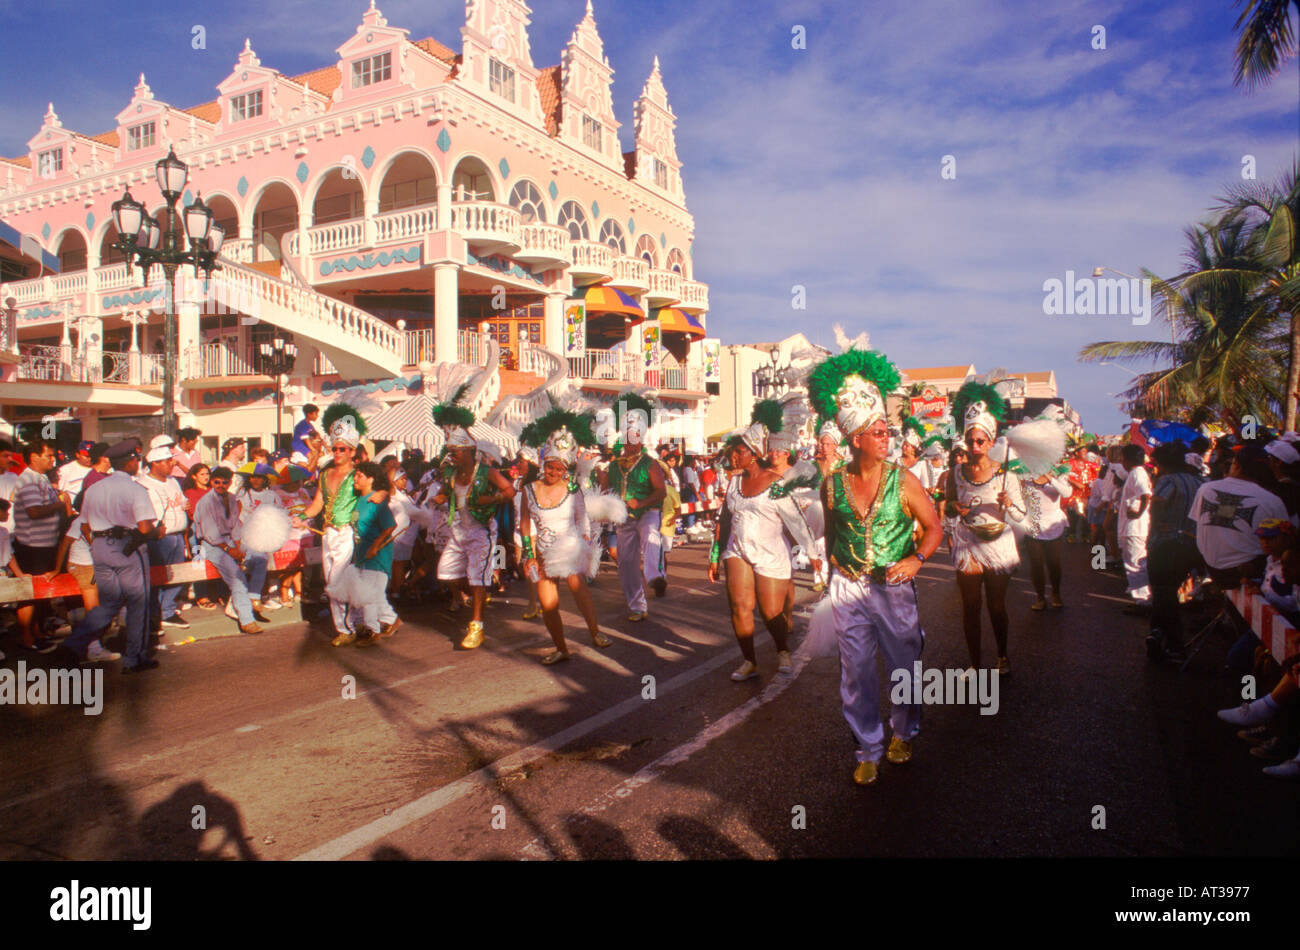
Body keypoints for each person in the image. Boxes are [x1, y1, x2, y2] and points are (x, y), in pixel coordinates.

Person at [807, 343, 942, 786]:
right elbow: (829, 528)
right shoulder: (832, 484)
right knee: (857, 671)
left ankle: (904, 730)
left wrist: (916, 559)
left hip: (893, 587)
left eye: (888, 430)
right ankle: (867, 746)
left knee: (904, 665)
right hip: (848, 587)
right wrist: (828, 567)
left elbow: (934, 527)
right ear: (856, 437)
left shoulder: (903, 480)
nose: (888, 437)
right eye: (879, 431)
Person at [708, 413, 818, 681]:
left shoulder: (776, 483)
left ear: (754, 453)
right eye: (733, 452)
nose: (733, 457)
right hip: (738, 549)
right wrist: (714, 555)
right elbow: (724, 519)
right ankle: (749, 661)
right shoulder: (734, 482)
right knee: (740, 606)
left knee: (770, 612)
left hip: (771, 552)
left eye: (738, 452)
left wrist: (813, 554)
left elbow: (796, 521)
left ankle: (782, 650)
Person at [519, 409, 610, 664]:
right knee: (548, 604)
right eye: (550, 467)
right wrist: (529, 554)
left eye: (559, 469)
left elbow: (582, 519)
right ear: (543, 465)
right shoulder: (528, 490)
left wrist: (585, 545)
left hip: (569, 549)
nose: (554, 473)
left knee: (579, 591)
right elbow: (525, 525)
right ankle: (561, 648)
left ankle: (595, 632)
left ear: (564, 470)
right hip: (544, 553)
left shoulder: (573, 491)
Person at [946, 382, 1025, 675]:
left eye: (981, 441)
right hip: (968, 542)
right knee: (969, 606)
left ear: (991, 441)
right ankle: (975, 664)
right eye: (971, 440)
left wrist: (1007, 505)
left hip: (997, 543)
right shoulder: (955, 472)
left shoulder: (1007, 476)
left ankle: (1002, 656)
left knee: (996, 606)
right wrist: (955, 510)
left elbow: (1021, 515)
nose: (975, 446)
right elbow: (949, 505)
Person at [61, 441, 159, 672]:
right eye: (136, 459)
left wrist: (99, 543)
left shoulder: (94, 488)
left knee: (109, 603)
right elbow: (145, 528)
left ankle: (74, 643)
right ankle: (134, 658)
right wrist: (158, 532)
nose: (138, 463)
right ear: (130, 461)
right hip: (127, 547)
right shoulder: (135, 489)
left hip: (100, 546)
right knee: (137, 602)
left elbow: (84, 525)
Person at [432, 392, 515, 649]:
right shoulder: (451, 473)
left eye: (454, 451)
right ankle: (476, 593)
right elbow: (447, 493)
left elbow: (510, 491)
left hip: (481, 531)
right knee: (445, 574)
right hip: (458, 530)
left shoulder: (487, 472)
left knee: (477, 577)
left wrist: (490, 501)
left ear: (468, 451)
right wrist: (440, 497)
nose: (451, 455)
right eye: (449, 451)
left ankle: (476, 625)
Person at [298, 402, 368, 646]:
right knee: (332, 583)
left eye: (342, 449)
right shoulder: (325, 474)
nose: (337, 452)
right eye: (335, 448)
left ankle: (350, 627)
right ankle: (351, 625)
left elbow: (371, 502)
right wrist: (301, 517)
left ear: (351, 452)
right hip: (327, 534)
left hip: (349, 534)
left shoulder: (359, 475)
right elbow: (318, 503)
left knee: (340, 581)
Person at [600, 390, 667, 622]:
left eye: (635, 438)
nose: (631, 443)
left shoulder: (650, 464)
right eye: (628, 438)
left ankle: (654, 576)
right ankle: (638, 606)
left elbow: (662, 491)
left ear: (641, 439)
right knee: (626, 563)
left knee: (650, 535)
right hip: (624, 517)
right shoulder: (613, 465)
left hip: (648, 512)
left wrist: (642, 501)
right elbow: (605, 491)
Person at [1191, 444, 1292, 590]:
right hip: (1251, 570)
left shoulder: (1205, 489)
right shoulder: (1271, 500)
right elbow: (1285, 540)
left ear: (1237, 465)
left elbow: (1216, 525)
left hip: (1214, 569)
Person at [1144, 443, 1204, 660]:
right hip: (1191, 543)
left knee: (1163, 592)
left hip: (1166, 543)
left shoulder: (1168, 480)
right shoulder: (1199, 482)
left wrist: (1159, 525)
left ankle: (1174, 643)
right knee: (1167, 591)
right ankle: (1157, 633)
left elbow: (1158, 504)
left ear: (1163, 464)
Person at [13, 439, 71, 653]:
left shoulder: (42, 478)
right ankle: (26, 637)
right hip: (32, 545)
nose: (53, 459)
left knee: (41, 592)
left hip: (46, 544)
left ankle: (38, 632)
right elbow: (34, 511)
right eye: (49, 455)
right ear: (34, 457)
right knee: (30, 592)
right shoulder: (28, 480)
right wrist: (59, 504)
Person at [193, 467, 266, 635]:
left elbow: (235, 526)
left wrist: (239, 546)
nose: (220, 485)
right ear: (211, 482)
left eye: (224, 482)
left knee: (260, 556)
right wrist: (229, 550)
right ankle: (246, 619)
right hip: (211, 544)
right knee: (237, 576)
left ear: (230, 482)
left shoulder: (232, 499)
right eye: (216, 481)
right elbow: (210, 534)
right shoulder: (205, 502)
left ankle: (253, 598)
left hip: (229, 540)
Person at [137, 444, 191, 630]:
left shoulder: (172, 481)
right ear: (155, 463)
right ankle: (154, 616)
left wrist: (185, 505)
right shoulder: (143, 483)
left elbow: (181, 500)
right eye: (168, 461)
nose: (172, 463)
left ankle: (167, 611)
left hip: (177, 534)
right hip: (159, 538)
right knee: (157, 577)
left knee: (177, 575)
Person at [349, 462, 399, 645]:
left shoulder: (376, 501)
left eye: (359, 476)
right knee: (375, 595)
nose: (355, 479)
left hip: (376, 555)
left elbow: (390, 525)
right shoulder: (359, 499)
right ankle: (391, 619)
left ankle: (372, 631)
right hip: (361, 554)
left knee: (368, 594)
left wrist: (375, 546)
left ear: (371, 479)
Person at [1018, 462, 1072, 610]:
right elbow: (1020, 499)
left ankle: (1056, 593)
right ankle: (1040, 597)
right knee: (1036, 564)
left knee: (1053, 563)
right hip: (1033, 525)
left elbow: (1067, 493)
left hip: (1053, 525)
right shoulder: (1025, 475)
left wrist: (1050, 478)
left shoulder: (1060, 475)